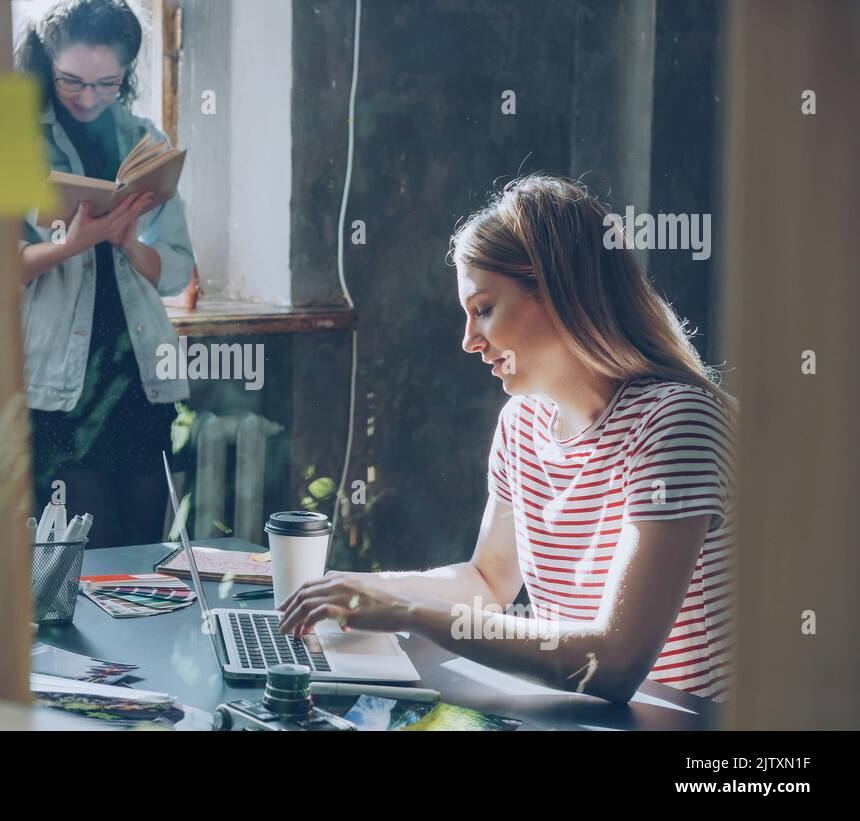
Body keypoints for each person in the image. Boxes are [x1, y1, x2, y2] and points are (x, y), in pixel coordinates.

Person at [280, 175, 735, 704]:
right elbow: (486, 583)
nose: (469, 340)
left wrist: (407, 613)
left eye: (484, 309)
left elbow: (611, 663)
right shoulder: (522, 425)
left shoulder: (676, 423)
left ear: (560, 293)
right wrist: (360, 589)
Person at [14, 0, 194, 548]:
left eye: (106, 83)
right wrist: (73, 245)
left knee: (144, 558)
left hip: (143, 378)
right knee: (82, 564)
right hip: (61, 387)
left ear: (126, 74)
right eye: (72, 80)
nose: (87, 96)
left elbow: (176, 271)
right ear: (47, 67)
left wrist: (128, 241)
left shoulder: (146, 142)